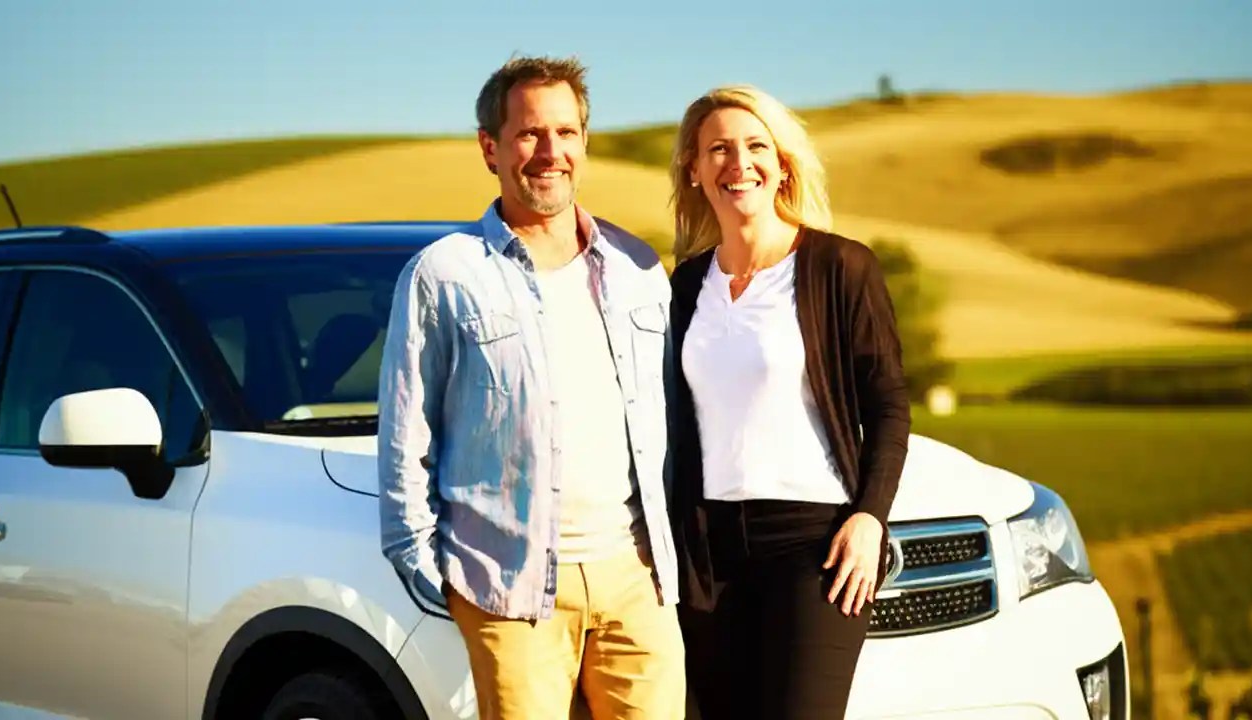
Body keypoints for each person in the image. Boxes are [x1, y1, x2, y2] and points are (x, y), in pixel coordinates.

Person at [377, 55, 684, 720]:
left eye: (567, 133)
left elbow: (673, 412)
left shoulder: (638, 267)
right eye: (529, 134)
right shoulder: (443, 275)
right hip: (507, 589)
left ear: (585, 143)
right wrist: (436, 575)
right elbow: (406, 435)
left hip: (637, 579)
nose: (551, 152)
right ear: (490, 148)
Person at [667, 85, 911, 720]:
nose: (736, 163)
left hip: (814, 546)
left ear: (782, 164)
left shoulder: (839, 267)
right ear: (693, 170)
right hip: (706, 552)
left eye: (754, 146)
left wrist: (870, 518)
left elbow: (887, 405)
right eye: (717, 149)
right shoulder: (686, 283)